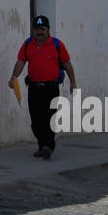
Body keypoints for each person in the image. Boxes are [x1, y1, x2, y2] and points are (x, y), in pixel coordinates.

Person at [8, 15, 78, 160]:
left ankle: (48, 146)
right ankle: (42, 145)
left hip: (51, 88)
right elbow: (21, 61)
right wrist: (14, 77)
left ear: (48, 30)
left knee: (49, 117)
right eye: (36, 29)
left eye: (42, 29)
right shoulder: (28, 44)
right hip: (34, 87)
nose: (39, 32)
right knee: (36, 120)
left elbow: (67, 65)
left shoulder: (57, 45)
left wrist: (73, 83)